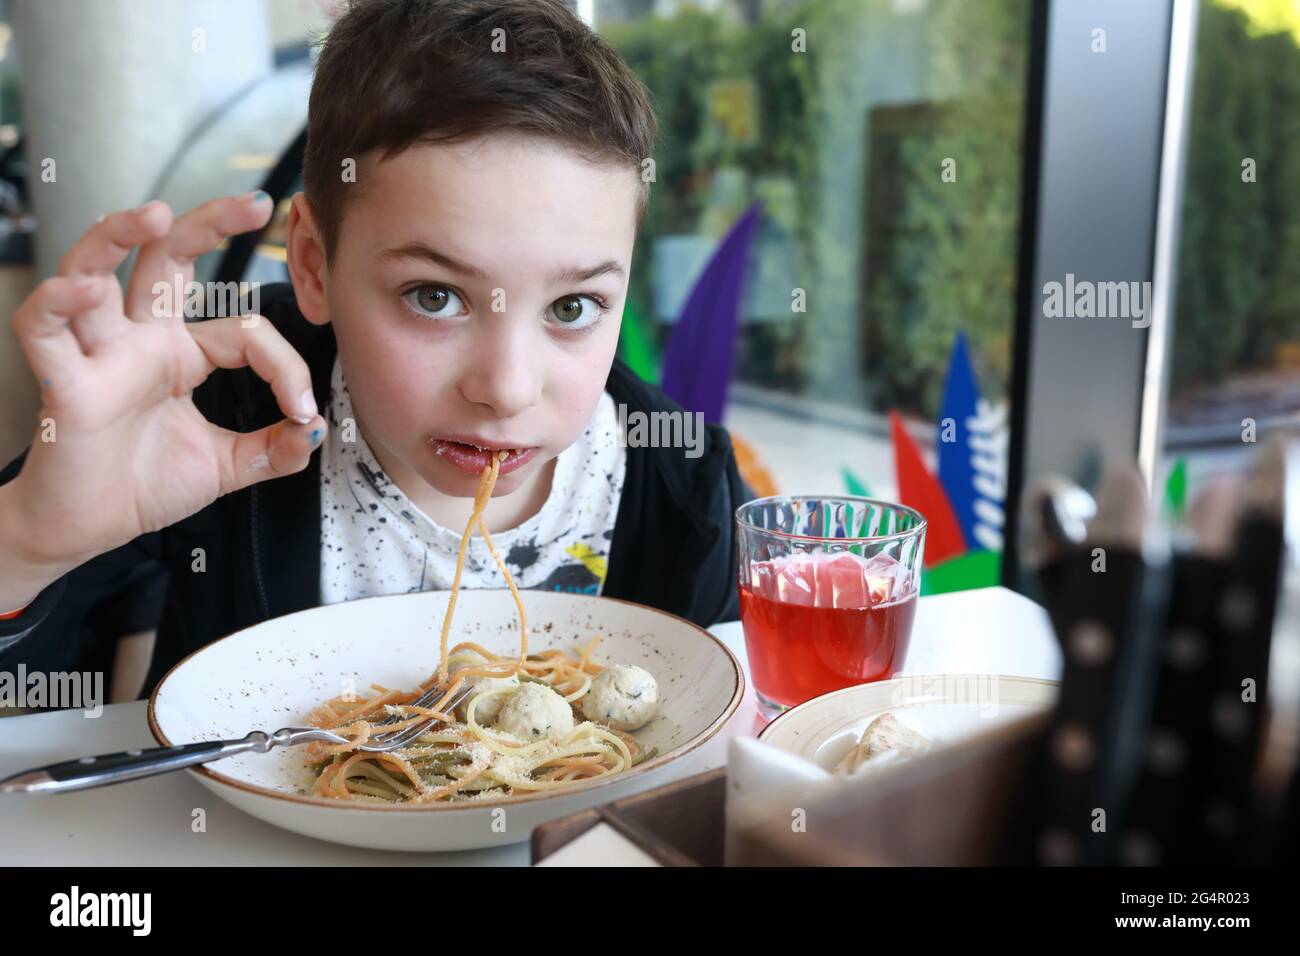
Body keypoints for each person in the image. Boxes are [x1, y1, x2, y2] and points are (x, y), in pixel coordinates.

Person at [0, 0, 750, 700]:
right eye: (435, 297)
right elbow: (39, 702)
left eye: (572, 307)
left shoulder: (686, 493)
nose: (508, 388)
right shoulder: (222, 411)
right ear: (313, 266)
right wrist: (31, 538)